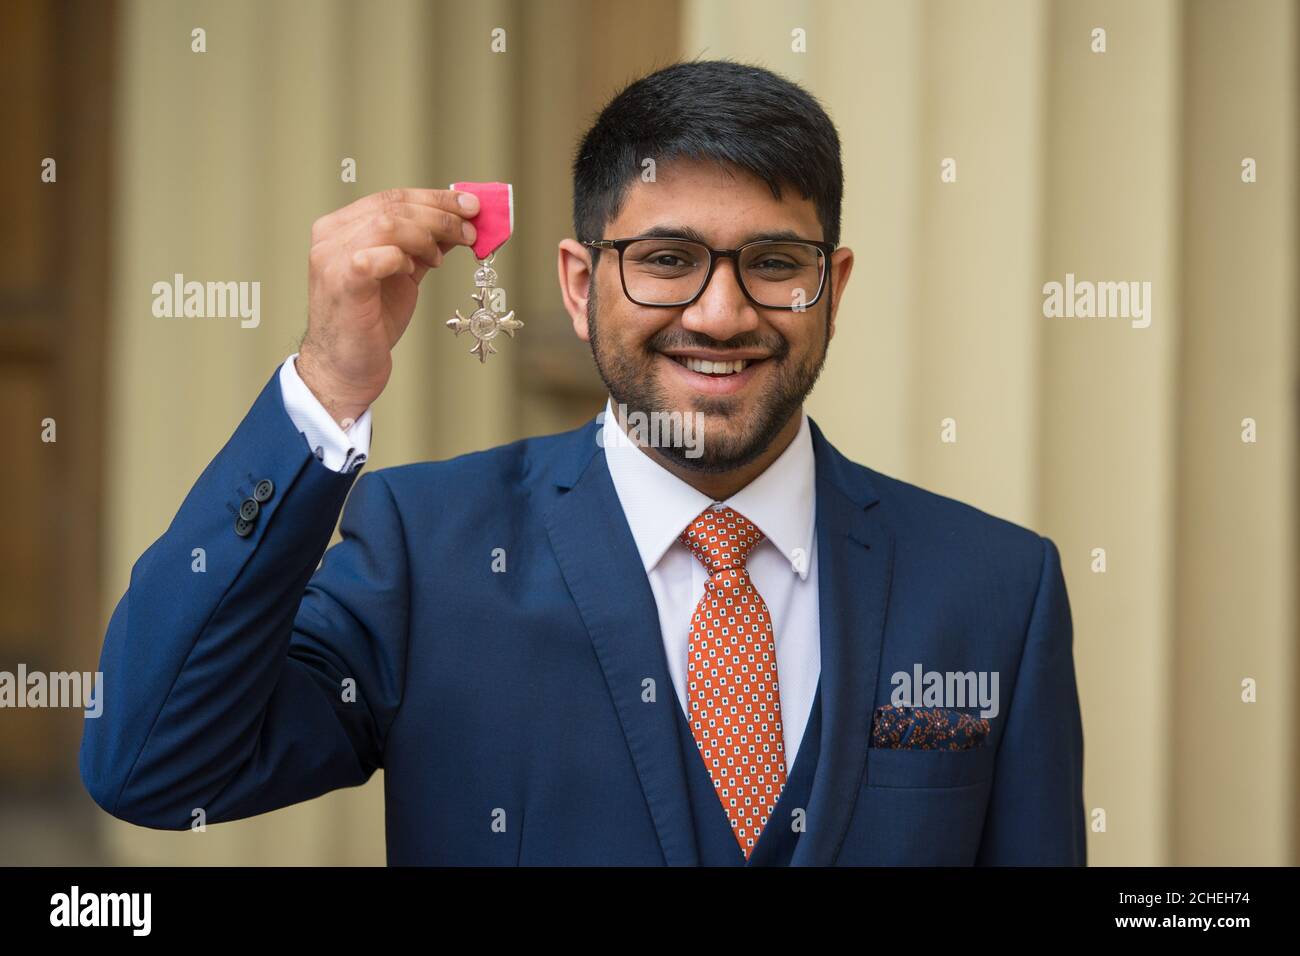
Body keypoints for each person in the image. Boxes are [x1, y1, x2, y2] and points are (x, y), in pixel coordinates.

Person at [81, 59, 1085, 866]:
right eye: (664, 259)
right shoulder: (426, 553)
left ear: (833, 284)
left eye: (774, 263)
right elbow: (153, 763)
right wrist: (325, 386)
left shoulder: (996, 588)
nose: (721, 312)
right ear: (577, 283)